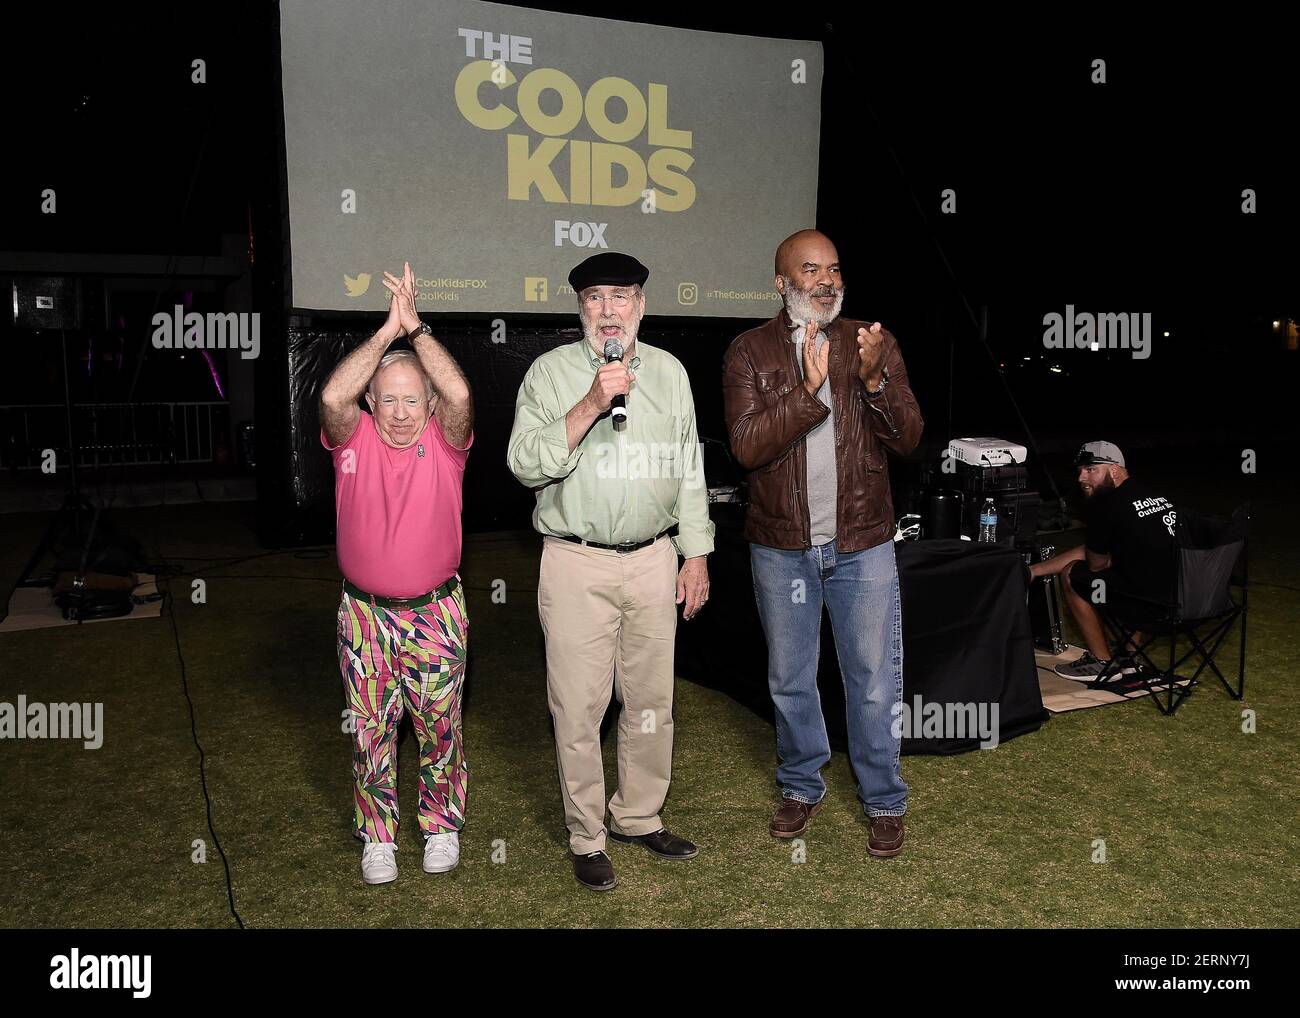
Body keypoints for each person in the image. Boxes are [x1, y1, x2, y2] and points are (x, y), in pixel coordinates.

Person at [507, 252, 714, 891]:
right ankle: (587, 834)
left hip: (654, 560)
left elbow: (688, 468)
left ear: (641, 306)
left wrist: (695, 552)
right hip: (575, 562)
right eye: (595, 298)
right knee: (577, 707)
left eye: (620, 297)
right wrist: (592, 403)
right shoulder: (549, 374)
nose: (608, 311)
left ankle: (639, 815)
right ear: (580, 309)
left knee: (651, 701)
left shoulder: (673, 374)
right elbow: (524, 463)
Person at [722, 229, 923, 858]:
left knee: (872, 681)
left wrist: (873, 381)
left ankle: (885, 798)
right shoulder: (749, 352)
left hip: (863, 545)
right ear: (782, 283)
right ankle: (801, 784)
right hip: (783, 549)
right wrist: (807, 393)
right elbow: (748, 447)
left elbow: (910, 438)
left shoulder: (871, 342)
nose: (826, 280)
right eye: (810, 270)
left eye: (834, 269)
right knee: (790, 679)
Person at [319, 262, 473, 885]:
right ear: (372, 404)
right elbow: (331, 396)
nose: (403, 413)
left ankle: (440, 826)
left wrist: (419, 330)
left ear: (428, 404)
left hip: (436, 611)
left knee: (440, 726)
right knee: (370, 732)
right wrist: (387, 334)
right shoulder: (352, 441)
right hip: (364, 615)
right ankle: (378, 836)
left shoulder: (446, 441)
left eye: (414, 400)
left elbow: (460, 395)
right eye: (390, 400)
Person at [1030, 441, 1176, 679]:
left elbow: (1096, 563)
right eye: (1080, 471)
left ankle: (1101, 662)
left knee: (1071, 574)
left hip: (1148, 604)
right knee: (1135, 568)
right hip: (1186, 598)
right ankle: (1129, 659)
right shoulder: (1154, 495)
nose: (1081, 478)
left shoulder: (1106, 507)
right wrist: (1035, 570)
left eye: (1090, 470)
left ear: (1115, 470)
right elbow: (1095, 549)